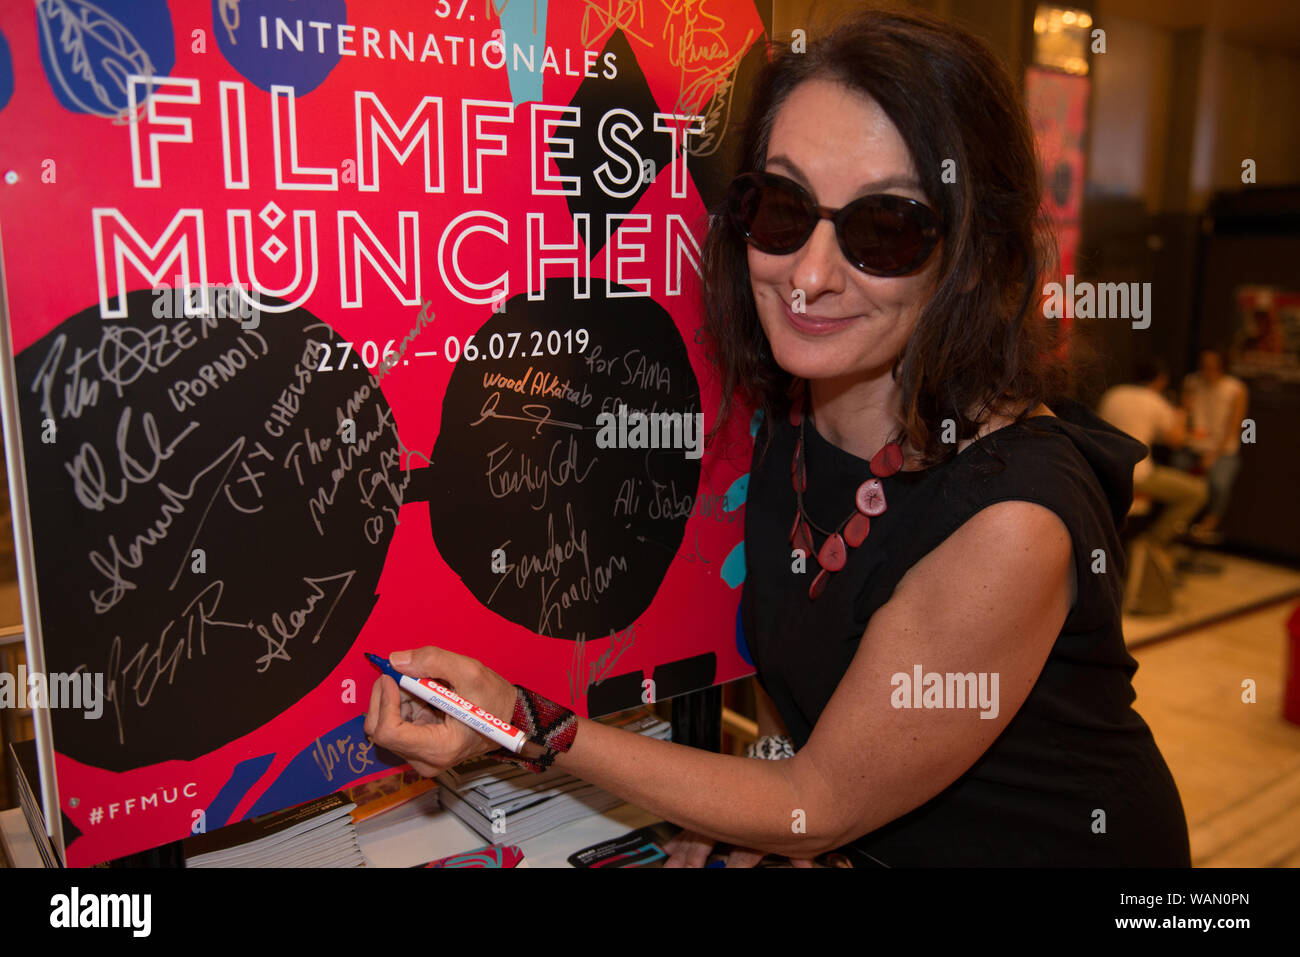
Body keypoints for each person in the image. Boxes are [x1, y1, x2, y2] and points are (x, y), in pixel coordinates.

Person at [365, 10, 1191, 866]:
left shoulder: (1009, 518)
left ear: (974, 259)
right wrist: (744, 801)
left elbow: (818, 800)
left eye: (884, 230)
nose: (810, 275)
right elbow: (802, 697)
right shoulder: (787, 415)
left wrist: (522, 722)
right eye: (785, 209)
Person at [1097, 358, 1208, 551]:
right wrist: (1184, 410)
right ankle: (1152, 544)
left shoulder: (1113, 394)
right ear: (1161, 379)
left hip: (1101, 471)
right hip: (1135, 476)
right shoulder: (1155, 401)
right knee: (1197, 492)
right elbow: (1176, 440)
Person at [1175, 349, 1248, 544]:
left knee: (1219, 484)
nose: (1207, 371)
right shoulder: (1192, 381)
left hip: (1223, 448)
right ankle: (1179, 520)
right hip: (1194, 444)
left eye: (1212, 367)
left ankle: (1208, 525)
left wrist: (1214, 454)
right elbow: (1184, 412)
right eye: (1204, 366)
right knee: (1177, 470)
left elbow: (1235, 425)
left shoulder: (1235, 388)